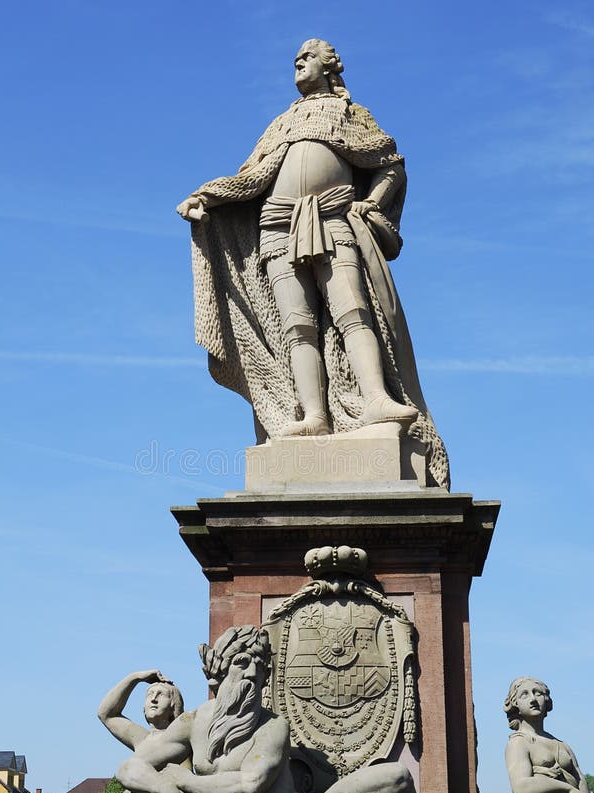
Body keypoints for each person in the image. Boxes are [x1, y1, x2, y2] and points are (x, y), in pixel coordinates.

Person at [178, 39, 449, 488]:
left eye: (308, 56)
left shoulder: (351, 115)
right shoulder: (281, 122)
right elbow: (251, 177)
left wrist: (371, 204)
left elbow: (390, 166)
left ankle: (376, 400)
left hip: (333, 214)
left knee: (353, 311)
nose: (298, 61)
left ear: (330, 66)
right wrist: (205, 197)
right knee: (295, 327)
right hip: (277, 225)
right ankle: (313, 415)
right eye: (296, 59)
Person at [116, 626, 555, 793]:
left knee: (398, 776)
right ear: (218, 672)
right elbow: (131, 768)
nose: (251, 674)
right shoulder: (194, 722)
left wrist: (177, 779)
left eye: (259, 667)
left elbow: (247, 787)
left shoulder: (273, 727)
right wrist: (165, 786)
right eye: (241, 664)